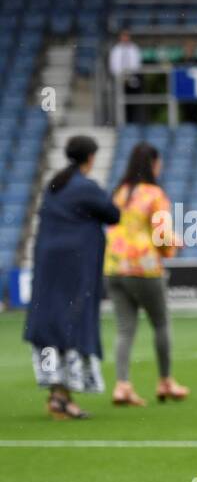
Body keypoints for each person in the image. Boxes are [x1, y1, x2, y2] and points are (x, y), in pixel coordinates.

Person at [23, 137, 120, 419]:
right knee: (72, 327)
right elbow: (113, 214)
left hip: (48, 268)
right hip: (74, 270)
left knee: (51, 327)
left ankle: (56, 395)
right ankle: (64, 398)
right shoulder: (84, 187)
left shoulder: (55, 185)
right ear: (90, 158)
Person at [104, 142, 188, 405]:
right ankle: (165, 381)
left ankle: (122, 385)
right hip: (143, 266)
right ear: (153, 163)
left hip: (114, 266)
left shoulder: (119, 193)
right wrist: (173, 246)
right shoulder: (154, 194)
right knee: (161, 323)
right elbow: (161, 236)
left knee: (124, 329)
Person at [108, 30, 144, 124]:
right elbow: (113, 65)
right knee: (120, 102)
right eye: (123, 36)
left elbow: (137, 64)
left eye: (127, 36)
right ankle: (120, 122)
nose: (125, 38)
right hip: (119, 79)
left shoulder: (134, 49)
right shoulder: (116, 50)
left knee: (132, 102)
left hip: (132, 78)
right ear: (120, 38)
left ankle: (132, 122)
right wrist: (121, 75)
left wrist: (130, 74)